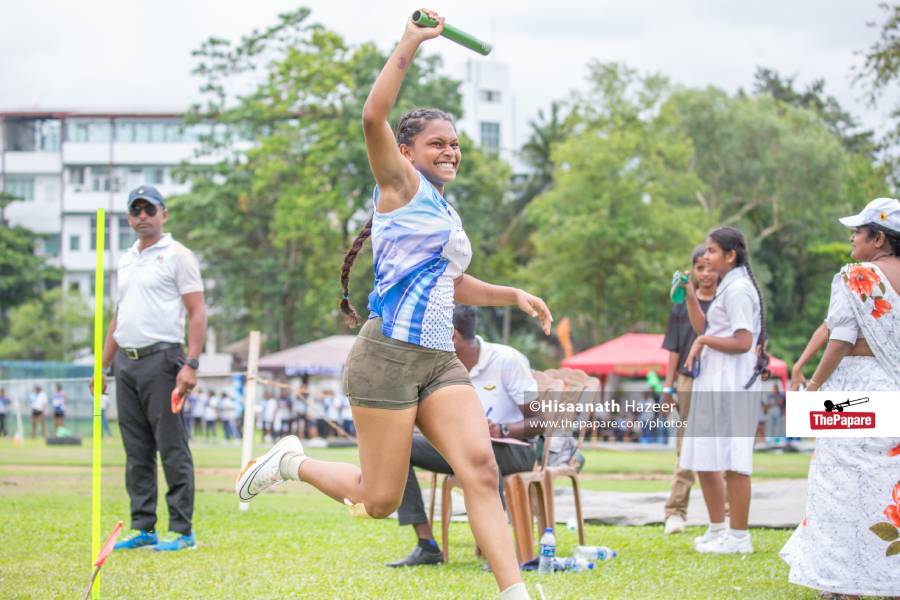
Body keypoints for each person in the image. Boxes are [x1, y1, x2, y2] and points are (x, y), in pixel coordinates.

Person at [236, 12, 551, 599]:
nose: (450, 151)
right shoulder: (399, 185)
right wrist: (411, 41)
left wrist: (511, 294)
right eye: (438, 143)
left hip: (437, 360)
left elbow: (449, 283)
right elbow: (372, 115)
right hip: (386, 358)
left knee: (479, 469)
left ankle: (516, 594)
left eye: (455, 144)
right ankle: (289, 464)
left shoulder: (441, 209)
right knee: (378, 500)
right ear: (405, 152)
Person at [781, 198, 900, 598]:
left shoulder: (855, 276)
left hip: (855, 393)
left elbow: (841, 338)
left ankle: (841, 584)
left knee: (839, 485)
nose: (851, 238)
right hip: (894, 389)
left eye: (858, 232)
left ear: (878, 238)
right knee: (890, 489)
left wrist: (812, 388)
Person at [90, 184, 207, 552]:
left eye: (149, 209)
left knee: (171, 447)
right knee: (136, 450)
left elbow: (198, 312)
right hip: (127, 362)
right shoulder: (126, 260)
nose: (142, 216)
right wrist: (103, 366)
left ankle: (182, 531)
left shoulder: (177, 255)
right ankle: (144, 527)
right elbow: (119, 317)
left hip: (163, 360)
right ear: (129, 217)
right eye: (136, 210)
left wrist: (191, 363)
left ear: (163, 214)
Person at [387, 305, 539, 567]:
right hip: (461, 447)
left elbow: (540, 422)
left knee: (482, 449)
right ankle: (427, 545)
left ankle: (497, 550)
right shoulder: (439, 369)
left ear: (453, 336)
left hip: (514, 449)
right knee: (399, 446)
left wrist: (501, 429)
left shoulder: (507, 360)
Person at [679, 226, 768, 554]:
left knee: (733, 459)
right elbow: (706, 326)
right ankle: (718, 529)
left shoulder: (739, 289)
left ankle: (739, 536)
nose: (706, 256)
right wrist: (690, 296)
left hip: (732, 383)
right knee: (704, 455)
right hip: (713, 380)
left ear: (731, 256)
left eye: (713, 250)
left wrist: (702, 342)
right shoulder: (725, 286)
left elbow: (744, 342)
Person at [660, 245, 717, 534]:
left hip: (719, 380)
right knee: (686, 447)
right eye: (700, 268)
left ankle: (724, 514)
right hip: (688, 381)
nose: (706, 273)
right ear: (691, 271)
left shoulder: (725, 301)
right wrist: (668, 387)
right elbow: (673, 347)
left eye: (710, 267)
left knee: (720, 446)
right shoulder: (681, 304)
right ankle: (675, 511)